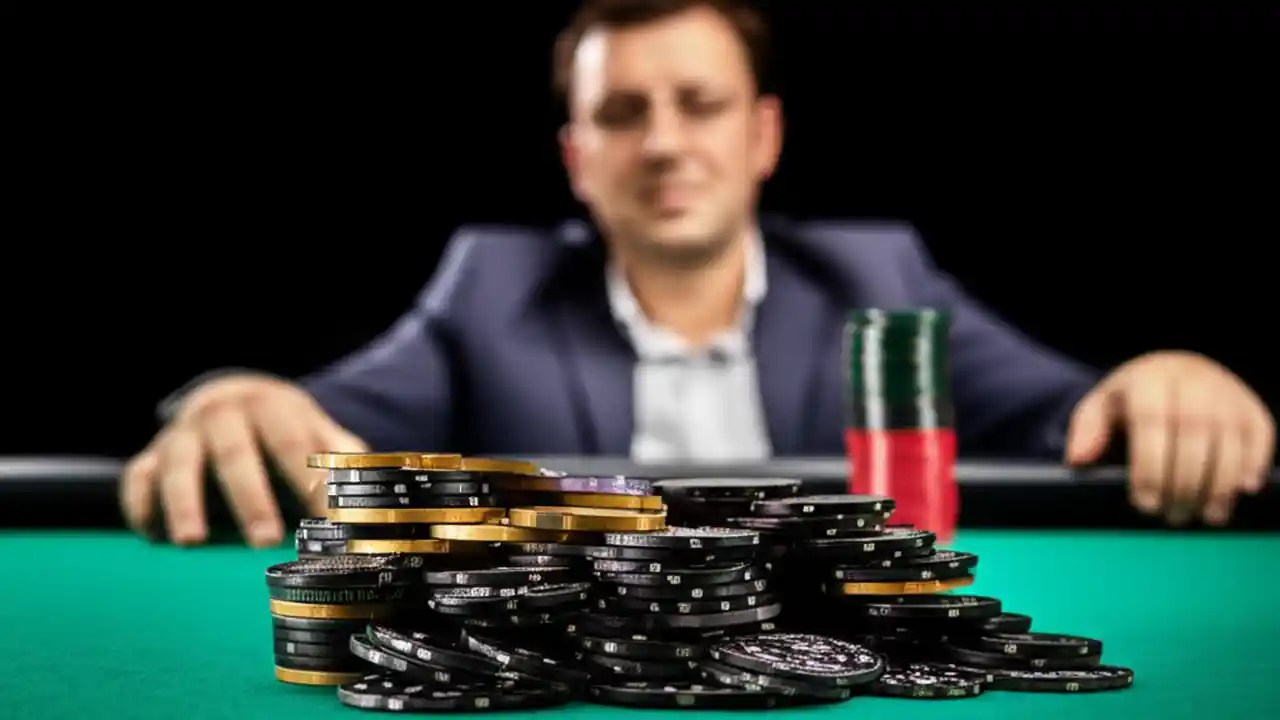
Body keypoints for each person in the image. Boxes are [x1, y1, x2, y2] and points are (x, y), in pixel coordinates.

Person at [121, 0, 1273, 547]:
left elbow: (1063, 414)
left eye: (699, 105)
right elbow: (322, 428)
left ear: (762, 135)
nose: (665, 143)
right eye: (622, 114)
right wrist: (227, 394)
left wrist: (1160, 376)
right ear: (576, 159)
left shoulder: (880, 273)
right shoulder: (487, 285)